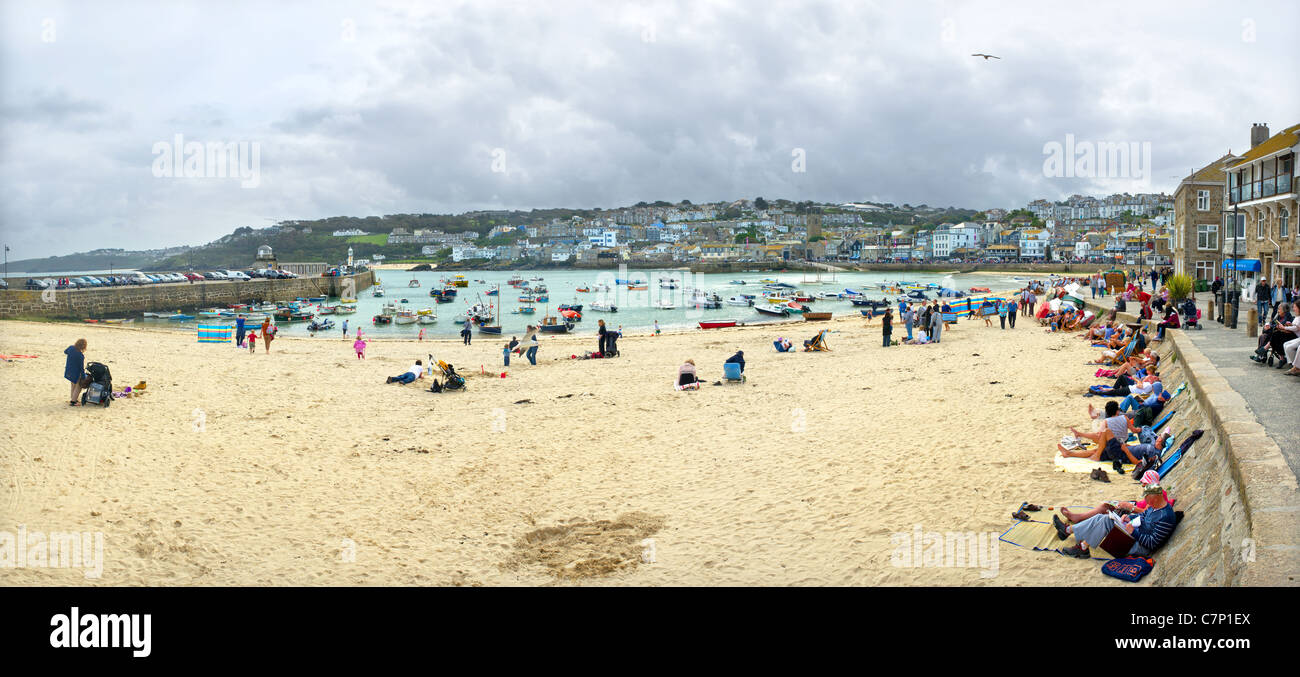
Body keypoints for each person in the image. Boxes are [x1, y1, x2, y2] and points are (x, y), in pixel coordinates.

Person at [1054, 484, 1176, 559]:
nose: (1145, 501)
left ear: (1155, 498)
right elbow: (1143, 516)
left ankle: (1079, 543)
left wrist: (1133, 532)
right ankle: (1071, 534)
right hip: (1134, 535)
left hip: (1139, 547)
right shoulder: (1154, 507)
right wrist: (1130, 518)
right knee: (1101, 517)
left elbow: (1152, 543)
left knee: (1105, 519)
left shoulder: (1165, 517)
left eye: (1147, 498)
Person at [64, 338, 87, 406]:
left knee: (73, 385)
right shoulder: (80, 356)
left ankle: (73, 398)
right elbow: (81, 368)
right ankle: (73, 402)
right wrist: (83, 377)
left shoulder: (71, 348)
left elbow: (65, 351)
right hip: (75, 373)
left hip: (68, 370)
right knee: (79, 386)